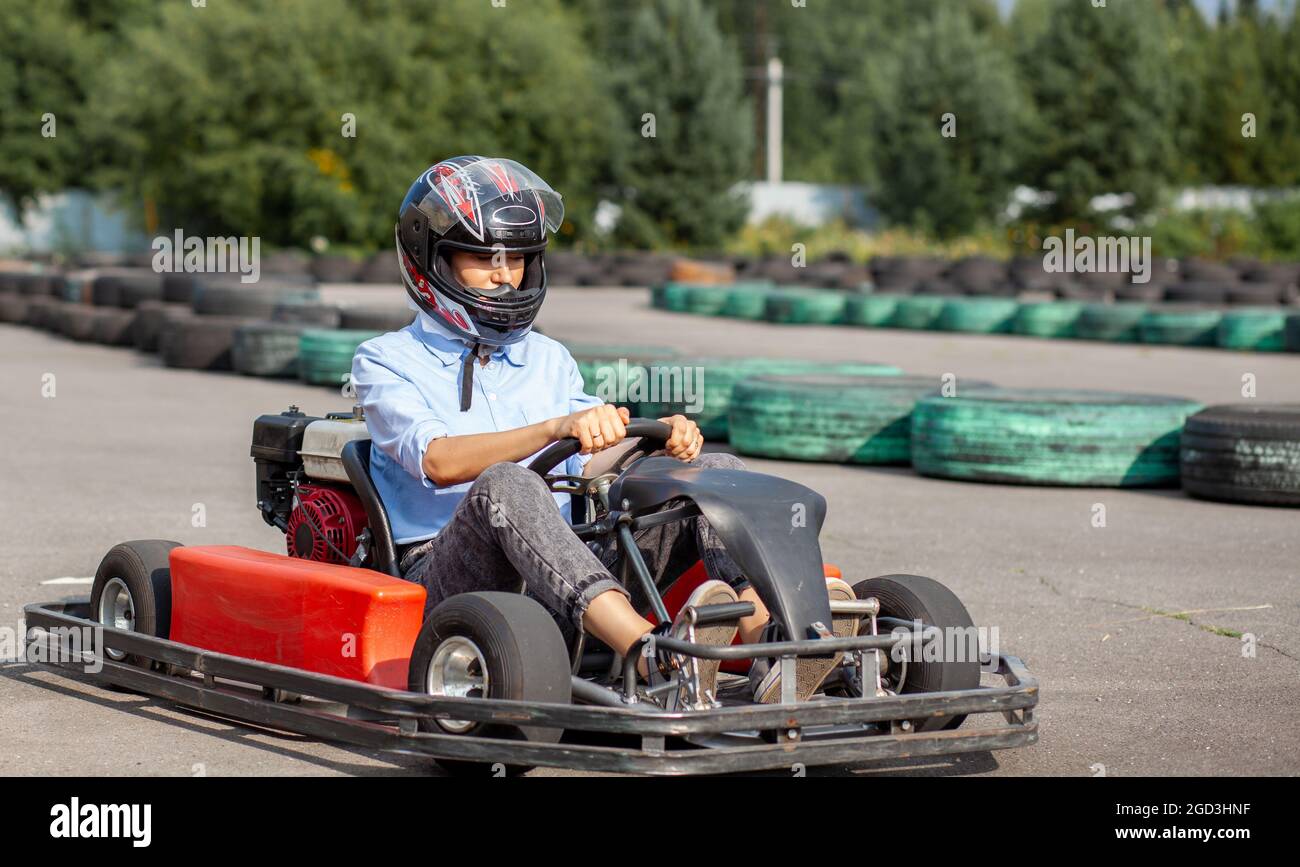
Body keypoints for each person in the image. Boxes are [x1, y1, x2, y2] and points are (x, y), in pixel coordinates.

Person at [351, 156, 856, 706]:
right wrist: (553, 426)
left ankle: (773, 652)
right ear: (431, 261)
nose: (505, 274)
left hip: (561, 568)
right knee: (508, 483)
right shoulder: (386, 361)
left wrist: (655, 441)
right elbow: (439, 461)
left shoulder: (546, 357)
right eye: (484, 258)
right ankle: (653, 653)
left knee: (713, 473)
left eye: (518, 259)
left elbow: (583, 462)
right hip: (451, 581)